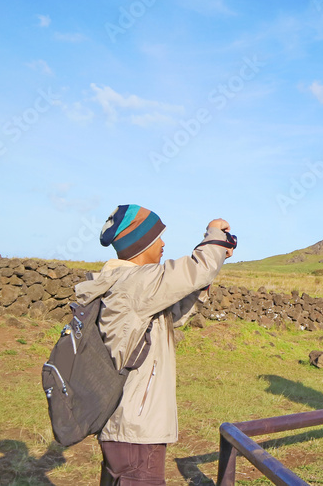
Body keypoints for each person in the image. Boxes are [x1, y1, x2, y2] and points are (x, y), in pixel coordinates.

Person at [74, 205, 234, 485]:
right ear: (141, 243)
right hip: (137, 431)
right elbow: (197, 270)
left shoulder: (127, 284)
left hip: (126, 425)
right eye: (157, 237)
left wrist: (212, 256)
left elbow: (172, 315)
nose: (163, 244)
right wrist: (214, 234)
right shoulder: (135, 283)